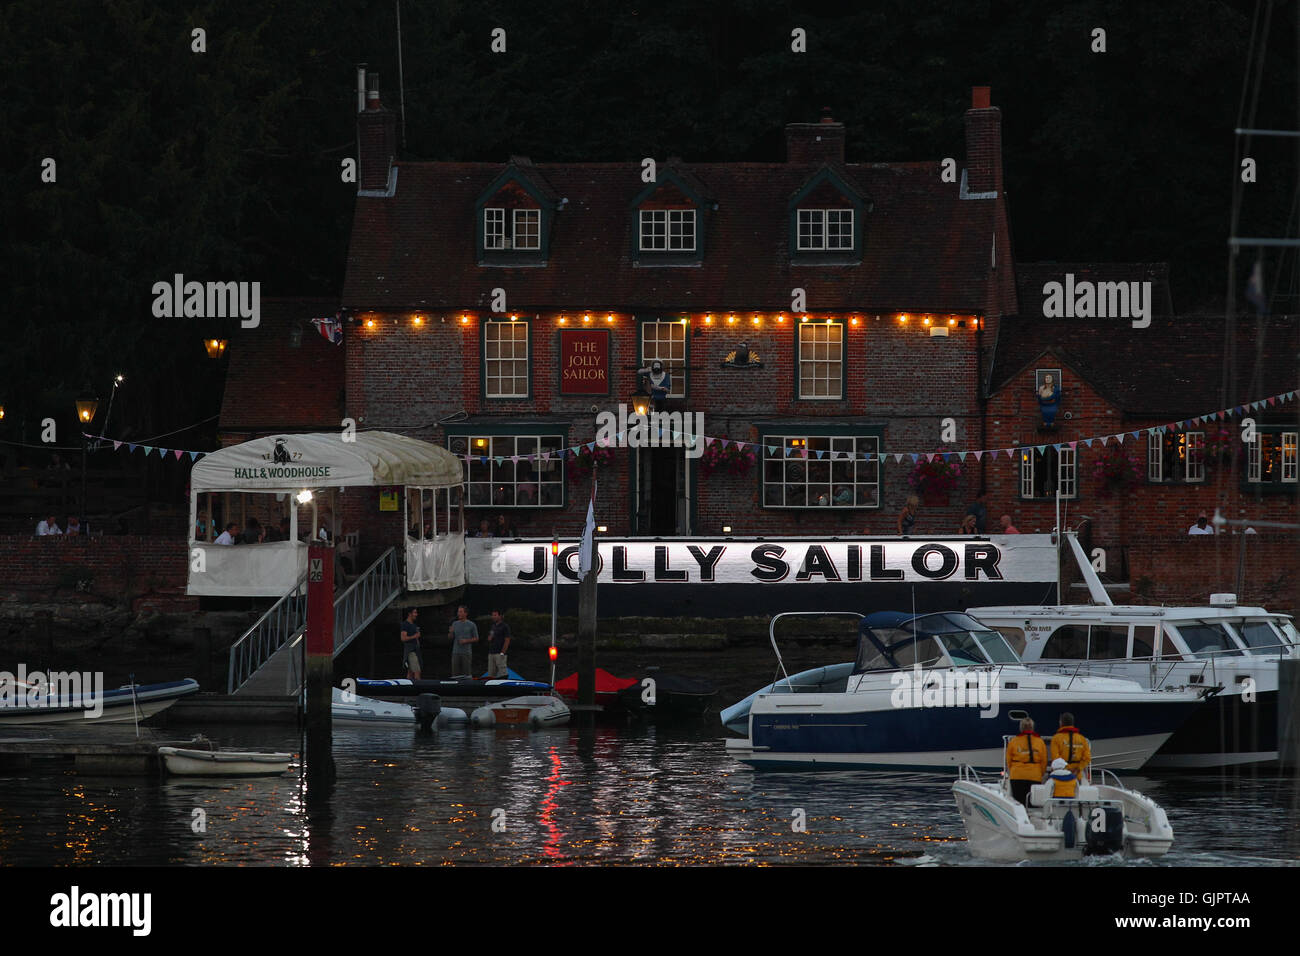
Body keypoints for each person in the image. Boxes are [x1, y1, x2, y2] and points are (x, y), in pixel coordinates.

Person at [1005, 717, 1048, 807]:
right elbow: (1044, 761)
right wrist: (1040, 773)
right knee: (1033, 804)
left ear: (1021, 728)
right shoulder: (1040, 742)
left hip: (1017, 776)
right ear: (1032, 727)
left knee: (1018, 804)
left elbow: (1008, 760)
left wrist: (1013, 771)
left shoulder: (1014, 741)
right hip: (1034, 776)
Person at [1050, 713, 1092, 781]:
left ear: (1061, 723)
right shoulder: (1082, 739)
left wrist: (1067, 768)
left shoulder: (1056, 738)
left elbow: (1056, 758)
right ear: (1072, 723)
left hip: (1061, 775)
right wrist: (1078, 769)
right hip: (1076, 775)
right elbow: (1087, 757)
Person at [448, 605, 479, 677]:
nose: (458, 613)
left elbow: (476, 638)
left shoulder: (471, 624)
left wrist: (466, 641)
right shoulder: (454, 623)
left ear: (466, 613)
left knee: (466, 674)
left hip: (466, 652)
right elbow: (450, 638)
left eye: (461, 612)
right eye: (458, 612)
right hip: (455, 652)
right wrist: (451, 632)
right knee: (455, 674)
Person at [487, 609, 511, 678]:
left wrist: (502, 652)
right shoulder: (493, 626)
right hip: (491, 653)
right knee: (491, 674)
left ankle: (504, 686)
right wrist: (490, 637)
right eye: (492, 615)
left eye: (495, 615)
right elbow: (489, 638)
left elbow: (507, 640)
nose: (493, 617)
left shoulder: (505, 626)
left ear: (500, 616)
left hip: (500, 653)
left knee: (503, 673)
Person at [401, 607, 422, 680]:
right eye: (415, 612)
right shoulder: (405, 624)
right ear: (410, 614)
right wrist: (415, 636)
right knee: (417, 671)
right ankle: (419, 688)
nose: (416, 614)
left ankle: (407, 688)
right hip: (410, 651)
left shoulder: (414, 625)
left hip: (416, 650)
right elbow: (403, 638)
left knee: (410, 672)